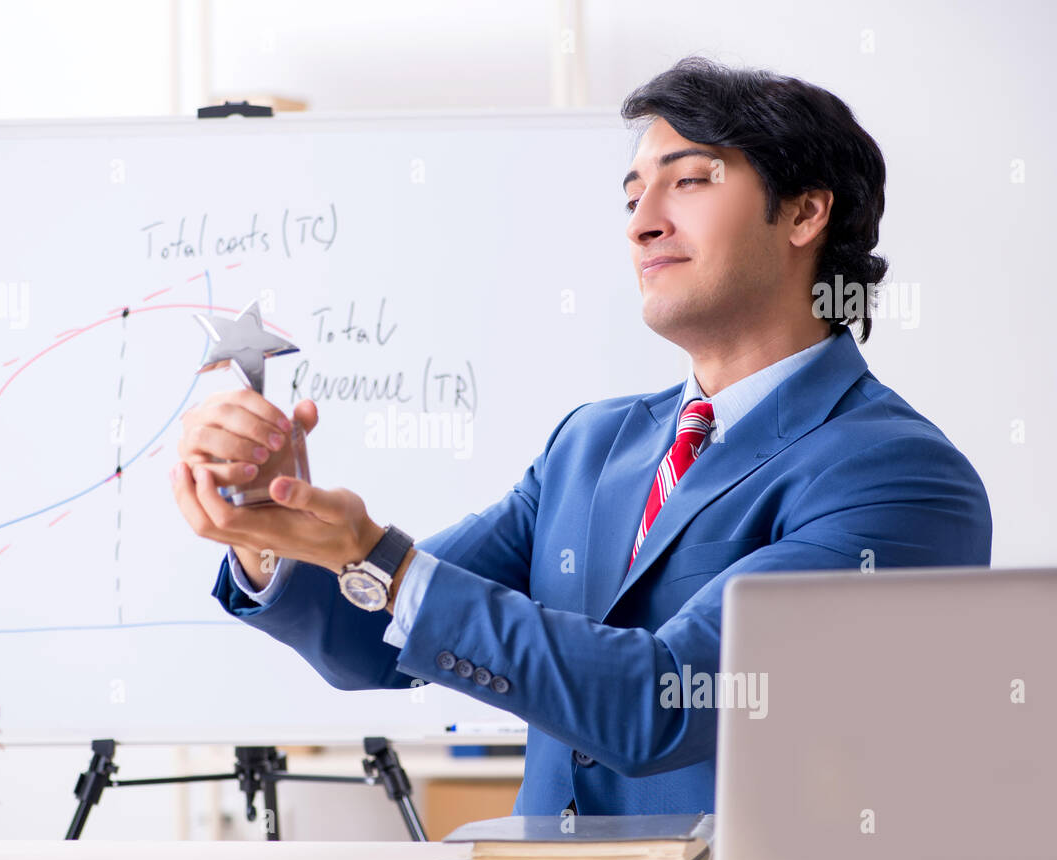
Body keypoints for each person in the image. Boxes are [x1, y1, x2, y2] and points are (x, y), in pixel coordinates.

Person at [168, 57, 991, 815]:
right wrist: (271, 532)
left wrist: (378, 556)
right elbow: (374, 643)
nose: (642, 223)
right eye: (633, 195)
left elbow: (663, 703)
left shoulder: (902, 477)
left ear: (808, 210)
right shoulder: (590, 446)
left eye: (690, 180)